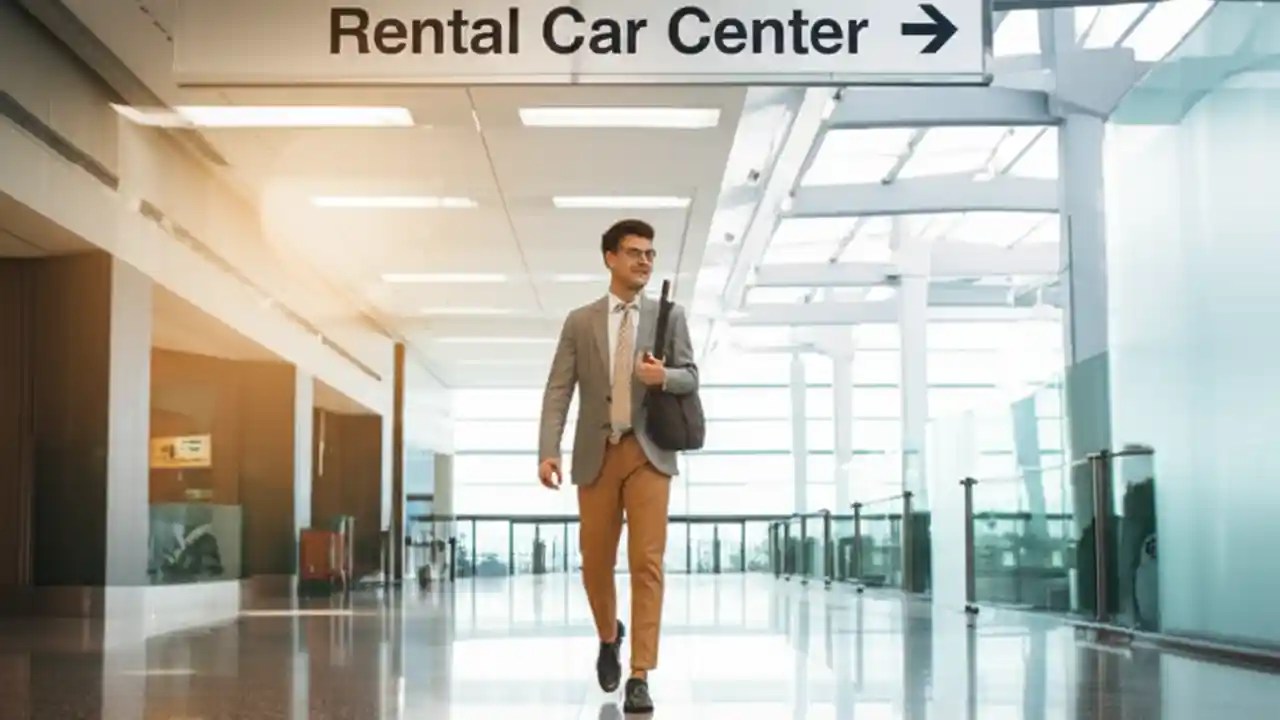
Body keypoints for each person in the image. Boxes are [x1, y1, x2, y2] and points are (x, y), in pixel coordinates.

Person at [537, 218, 698, 715]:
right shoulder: (580, 321)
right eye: (633, 252)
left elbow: (691, 376)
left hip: (649, 454)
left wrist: (663, 375)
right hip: (596, 454)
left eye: (650, 253)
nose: (644, 261)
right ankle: (609, 636)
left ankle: (640, 674)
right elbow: (559, 389)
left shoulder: (669, 316)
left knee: (646, 565)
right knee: (595, 564)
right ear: (609, 257)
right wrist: (548, 448)